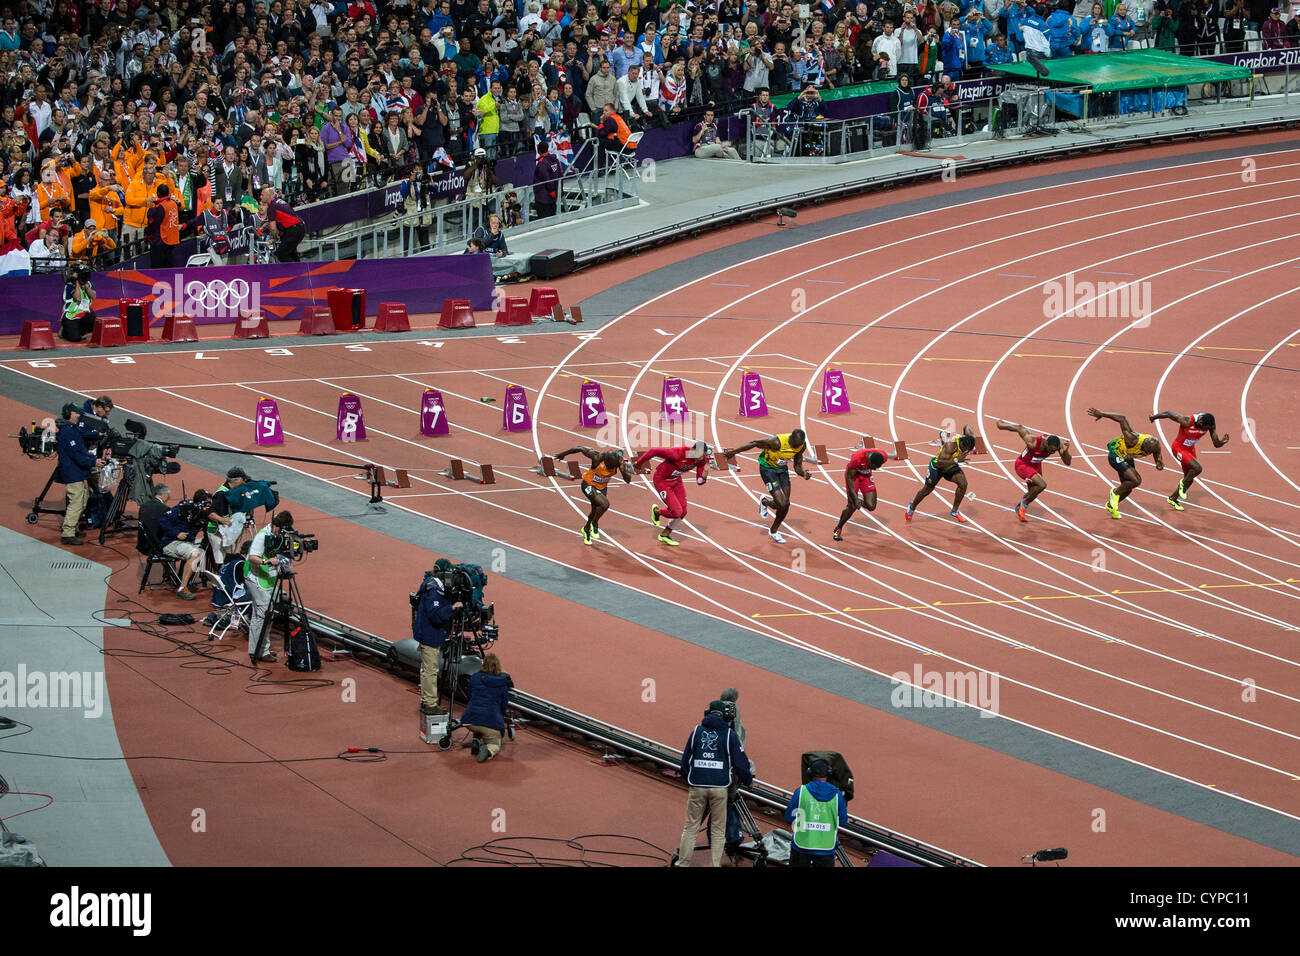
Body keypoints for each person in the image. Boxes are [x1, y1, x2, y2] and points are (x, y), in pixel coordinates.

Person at [675, 700, 754, 867]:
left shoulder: (696, 731)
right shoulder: (729, 735)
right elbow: (740, 764)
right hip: (719, 789)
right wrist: (748, 781)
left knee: (690, 828)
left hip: (697, 786)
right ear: (725, 716)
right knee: (718, 832)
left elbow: (684, 763)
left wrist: (692, 779)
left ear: (707, 714)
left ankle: (682, 864)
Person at [722, 429, 811, 544]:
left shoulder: (801, 445)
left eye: (799, 445)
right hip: (767, 469)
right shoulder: (776, 442)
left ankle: (773, 530)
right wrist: (734, 452)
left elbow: (797, 466)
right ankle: (765, 502)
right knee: (781, 503)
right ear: (791, 439)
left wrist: (804, 474)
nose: (797, 447)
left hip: (782, 470)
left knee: (786, 505)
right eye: (795, 445)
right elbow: (754, 443)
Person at [1087, 408, 1164, 519]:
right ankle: (1115, 492)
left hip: (1127, 458)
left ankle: (1111, 506)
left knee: (1128, 488)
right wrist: (1102, 414)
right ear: (1143, 444)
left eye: (1149, 452)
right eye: (1146, 450)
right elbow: (1122, 418)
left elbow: (1157, 455)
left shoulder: (1155, 444)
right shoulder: (1132, 438)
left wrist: (1159, 463)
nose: (1147, 453)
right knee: (1136, 480)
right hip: (1116, 455)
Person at [634, 441, 713, 547]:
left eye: (703, 456)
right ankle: (657, 511)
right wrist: (639, 463)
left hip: (676, 481)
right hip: (662, 480)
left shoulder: (701, 459)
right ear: (693, 451)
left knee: (683, 512)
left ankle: (665, 534)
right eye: (699, 456)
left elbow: (699, 482)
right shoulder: (678, 453)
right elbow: (654, 451)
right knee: (677, 512)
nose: (700, 459)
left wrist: (704, 476)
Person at [1148, 411, 1229, 511]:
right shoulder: (1187, 421)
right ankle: (1182, 484)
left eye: (1208, 428)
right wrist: (1154, 417)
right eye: (1205, 428)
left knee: (1190, 479)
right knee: (1197, 468)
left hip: (1190, 450)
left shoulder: (1210, 425)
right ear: (1201, 422)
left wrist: (1222, 442)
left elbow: (1216, 444)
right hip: (1179, 448)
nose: (1207, 430)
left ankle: (1173, 498)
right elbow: (1169, 414)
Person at [553, 445, 634, 545]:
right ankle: (591, 524)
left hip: (602, 487)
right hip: (588, 484)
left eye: (613, 467)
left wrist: (624, 469)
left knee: (595, 510)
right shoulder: (597, 457)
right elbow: (580, 448)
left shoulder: (618, 462)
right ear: (606, 461)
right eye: (609, 466)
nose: (611, 469)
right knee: (605, 504)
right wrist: (563, 454)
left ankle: (588, 527)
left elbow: (628, 480)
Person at [244, 510, 296, 664]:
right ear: (276, 525)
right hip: (256, 577)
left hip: (267, 578)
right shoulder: (262, 536)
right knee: (263, 614)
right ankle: (259, 651)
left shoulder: (278, 536)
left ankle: (260, 649)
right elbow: (253, 557)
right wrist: (267, 562)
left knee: (264, 614)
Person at [996, 420, 1072, 521]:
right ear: (1046, 443)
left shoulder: (1057, 445)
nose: (1052, 452)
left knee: (1034, 492)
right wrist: (1001, 426)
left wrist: (1066, 452)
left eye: (1054, 450)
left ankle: (1019, 507)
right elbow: (1019, 428)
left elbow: (1067, 462)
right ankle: (1023, 506)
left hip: (1036, 466)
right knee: (1042, 485)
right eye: (1051, 450)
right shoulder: (1033, 441)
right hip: (1023, 464)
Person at [783, 758, 848, 867]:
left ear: (809, 773)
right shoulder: (837, 795)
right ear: (828, 774)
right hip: (826, 848)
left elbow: (789, 817)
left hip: (801, 846)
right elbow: (842, 821)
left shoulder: (801, 792)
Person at [905, 426, 977, 524]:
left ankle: (954, 511)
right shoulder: (951, 445)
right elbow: (940, 463)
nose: (967, 451)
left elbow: (967, 427)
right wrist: (956, 460)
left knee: (963, 484)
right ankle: (912, 507)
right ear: (962, 444)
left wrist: (968, 432)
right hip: (937, 467)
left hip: (950, 467)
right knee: (926, 490)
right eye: (966, 449)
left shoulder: (968, 441)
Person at [55, 402, 100, 546]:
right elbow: (77, 455)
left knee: (81, 500)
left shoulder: (71, 429)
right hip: (72, 472)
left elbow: (80, 452)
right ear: (70, 414)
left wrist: (92, 460)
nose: (79, 415)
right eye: (76, 413)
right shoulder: (68, 432)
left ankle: (73, 528)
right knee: (76, 502)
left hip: (76, 472)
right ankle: (68, 533)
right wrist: (93, 462)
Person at [413, 565, 454, 716]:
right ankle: (430, 703)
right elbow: (436, 615)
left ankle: (426, 700)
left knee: (426, 670)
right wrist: (451, 609)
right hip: (430, 636)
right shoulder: (433, 591)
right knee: (430, 670)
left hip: (427, 634)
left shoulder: (431, 585)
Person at [156, 488, 209, 600]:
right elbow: (161, 520)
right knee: (195, 553)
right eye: (207, 504)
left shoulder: (202, 513)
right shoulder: (182, 509)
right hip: (172, 542)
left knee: (210, 545)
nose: (208, 507)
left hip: (187, 542)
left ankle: (201, 579)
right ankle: (182, 588)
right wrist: (176, 533)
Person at [461, 652, 513, 762]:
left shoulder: (474, 677)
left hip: (469, 720)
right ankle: (488, 749)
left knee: (479, 723)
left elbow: (469, 696)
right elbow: (503, 705)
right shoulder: (502, 684)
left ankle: (476, 739)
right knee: (495, 744)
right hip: (490, 721)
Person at [833, 445, 889, 541]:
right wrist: (854, 499)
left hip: (866, 476)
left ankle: (855, 501)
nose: (875, 469)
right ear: (869, 461)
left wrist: (857, 500)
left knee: (871, 506)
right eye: (873, 467)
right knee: (852, 506)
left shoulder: (883, 456)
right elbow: (849, 478)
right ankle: (838, 528)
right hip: (853, 476)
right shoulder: (857, 458)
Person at [259, 186, 305, 262]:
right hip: (299, 227)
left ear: (268, 196)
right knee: (292, 253)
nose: (261, 197)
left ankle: (292, 272)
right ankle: (299, 271)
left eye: (262, 195)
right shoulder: (278, 201)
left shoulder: (272, 206)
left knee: (281, 254)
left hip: (294, 229)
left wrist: (275, 238)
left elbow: (273, 228)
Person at [144, 183, 182, 268]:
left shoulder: (159, 208)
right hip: (172, 239)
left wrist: (147, 232)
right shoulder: (173, 204)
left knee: (158, 268)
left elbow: (153, 225)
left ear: (158, 193)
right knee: (169, 266)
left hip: (161, 240)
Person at [60, 271, 96, 343]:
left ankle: (80, 331)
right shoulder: (70, 286)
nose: (83, 279)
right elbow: (77, 298)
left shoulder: (88, 284)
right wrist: (77, 283)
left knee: (95, 322)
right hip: (71, 316)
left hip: (84, 314)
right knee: (75, 338)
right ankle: (64, 331)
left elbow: (93, 296)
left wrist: (87, 286)